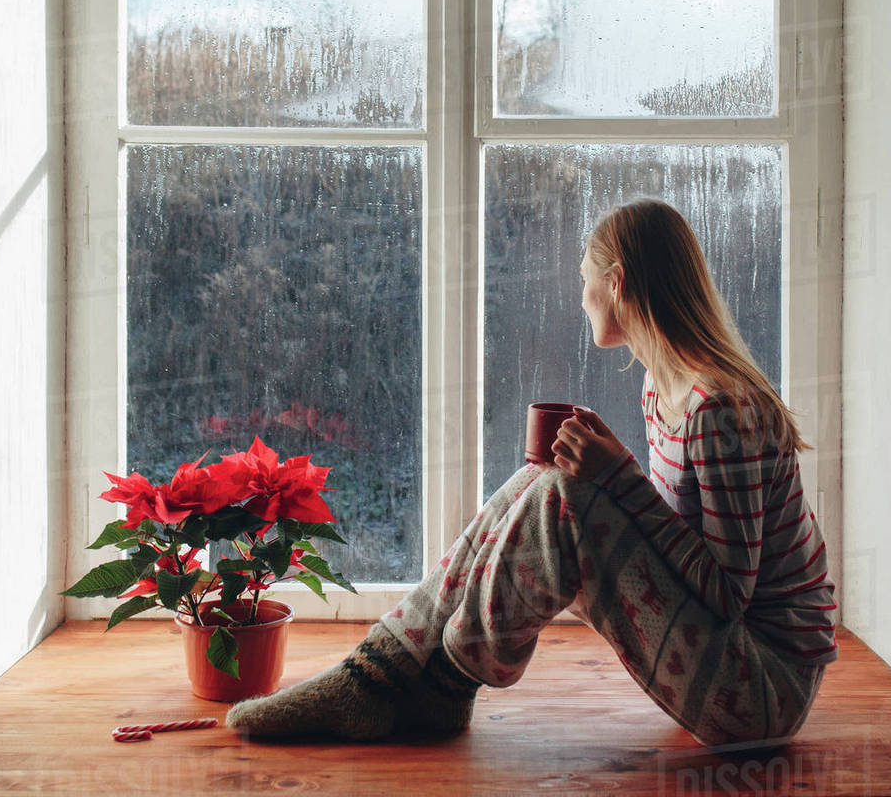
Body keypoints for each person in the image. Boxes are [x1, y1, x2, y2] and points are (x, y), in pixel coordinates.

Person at [226, 197, 838, 747]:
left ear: (617, 283)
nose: (580, 298)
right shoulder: (662, 388)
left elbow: (727, 595)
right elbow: (674, 544)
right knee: (550, 479)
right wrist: (608, 476)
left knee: (567, 497)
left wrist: (618, 478)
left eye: (584, 281)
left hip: (762, 689)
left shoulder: (719, 408)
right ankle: (380, 670)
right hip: (726, 658)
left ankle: (431, 687)